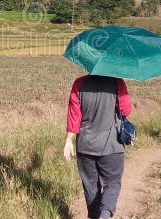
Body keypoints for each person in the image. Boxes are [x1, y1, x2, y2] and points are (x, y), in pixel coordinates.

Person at [64, 74, 132, 219]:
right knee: (112, 183)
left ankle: (95, 216)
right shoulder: (117, 82)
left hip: (85, 146)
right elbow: (126, 111)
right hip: (112, 147)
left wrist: (68, 140)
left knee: (90, 186)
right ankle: (105, 215)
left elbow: (74, 115)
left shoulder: (79, 83)